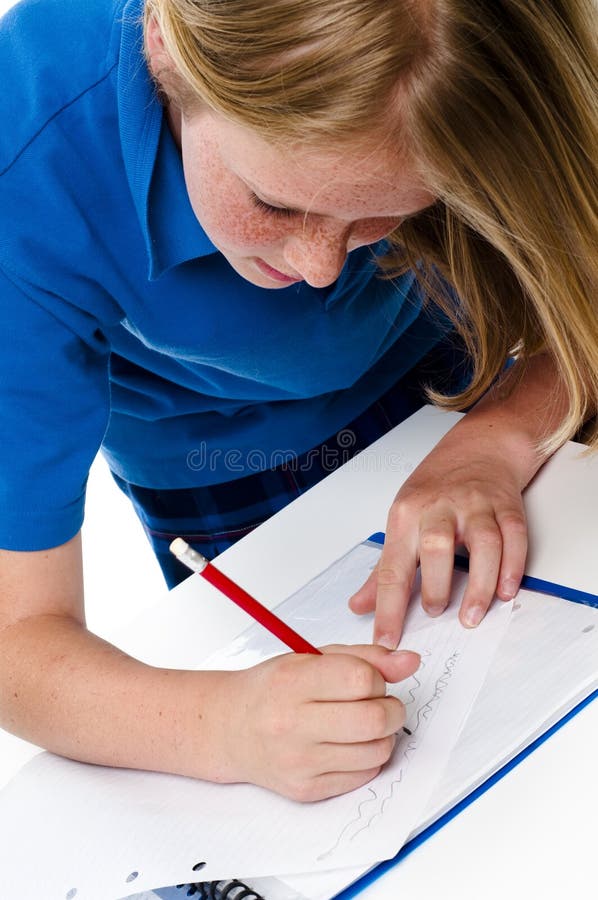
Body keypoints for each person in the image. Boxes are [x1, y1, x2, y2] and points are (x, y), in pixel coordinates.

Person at [0, 0, 595, 802]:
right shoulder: (23, 175)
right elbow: (17, 642)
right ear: (164, 46)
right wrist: (224, 726)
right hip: (218, 458)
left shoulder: (500, 46)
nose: (319, 270)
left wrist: (504, 428)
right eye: (275, 204)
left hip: (455, 358)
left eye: (381, 212)